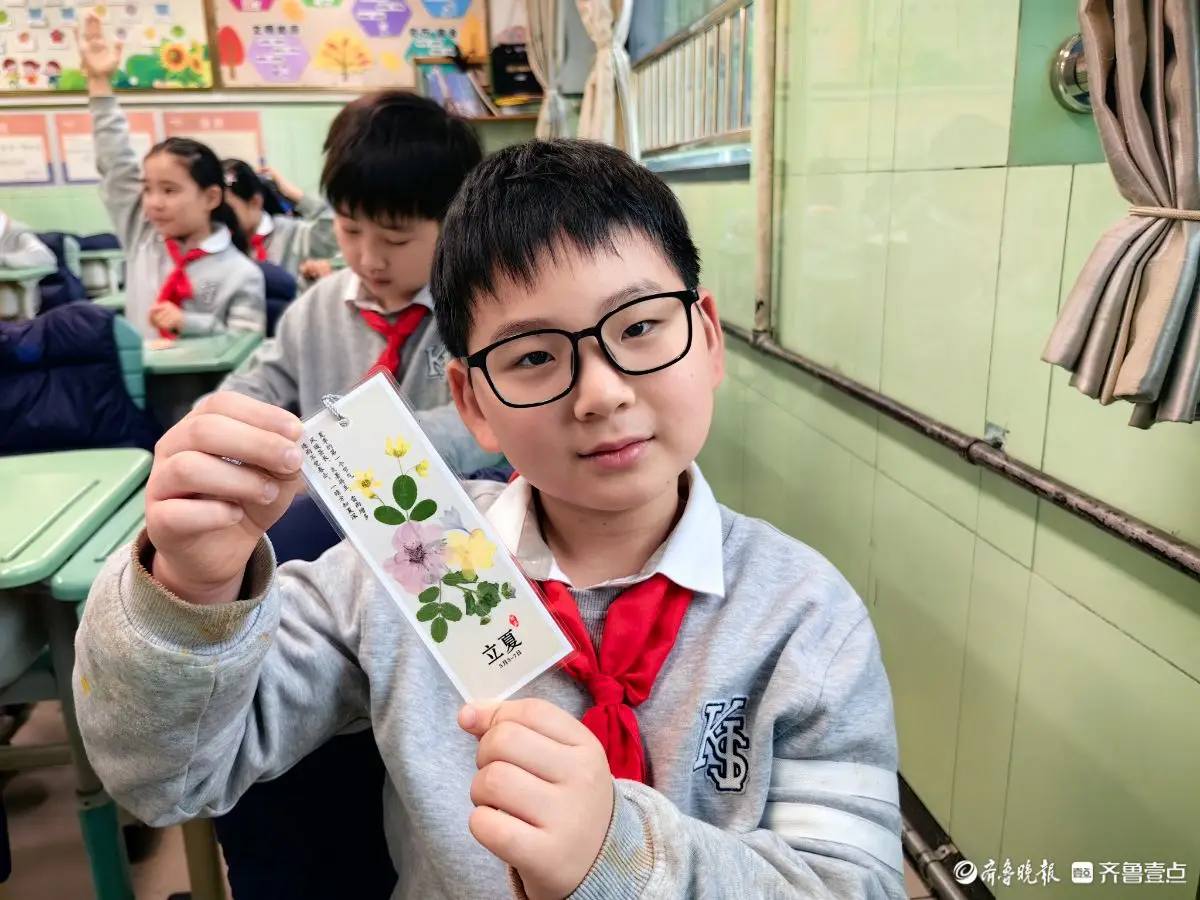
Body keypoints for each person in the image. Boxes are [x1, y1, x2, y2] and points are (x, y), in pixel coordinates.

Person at [74, 139, 905, 899]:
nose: (602, 392)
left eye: (642, 326)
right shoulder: (417, 555)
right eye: (535, 356)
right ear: (470, 400)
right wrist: (187, 593)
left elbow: (852, 884)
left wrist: (618, 855)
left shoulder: (803, 617)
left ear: (708, 335)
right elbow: (164, 777)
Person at [78, 15, 264, 341]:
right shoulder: (143, 236)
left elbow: (247, 346)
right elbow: (116, 164)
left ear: (210, 198)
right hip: (140, 391)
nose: (154, 203)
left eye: (169, 190)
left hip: (208, 392)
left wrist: (189, 324)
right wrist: (99, 86)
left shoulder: (241, 272)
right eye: (147, 189)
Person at [222, 159, 337, 279]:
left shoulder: (290, 233)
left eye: (228, 209)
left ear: (255, 202)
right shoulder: (221, 246)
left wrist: (294, 195)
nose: (221, 217)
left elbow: (332, 231)